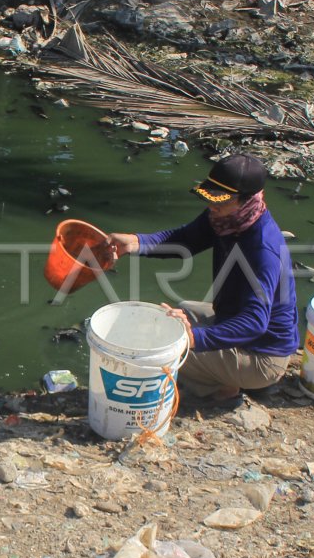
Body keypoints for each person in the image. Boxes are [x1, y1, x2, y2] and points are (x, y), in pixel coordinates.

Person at [107, 154, 299, 404]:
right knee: (184, 310)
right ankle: (219, 376)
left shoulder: (261, 249)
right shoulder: (226, 220)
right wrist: (134, 243)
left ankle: (222, 391)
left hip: (262, 357)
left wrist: (193, 338)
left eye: (220, 201)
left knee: (166, 347)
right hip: (238, 325)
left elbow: (254, 322)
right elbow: (185, 239)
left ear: (247, 200)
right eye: (209, 198)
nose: (211, 207)